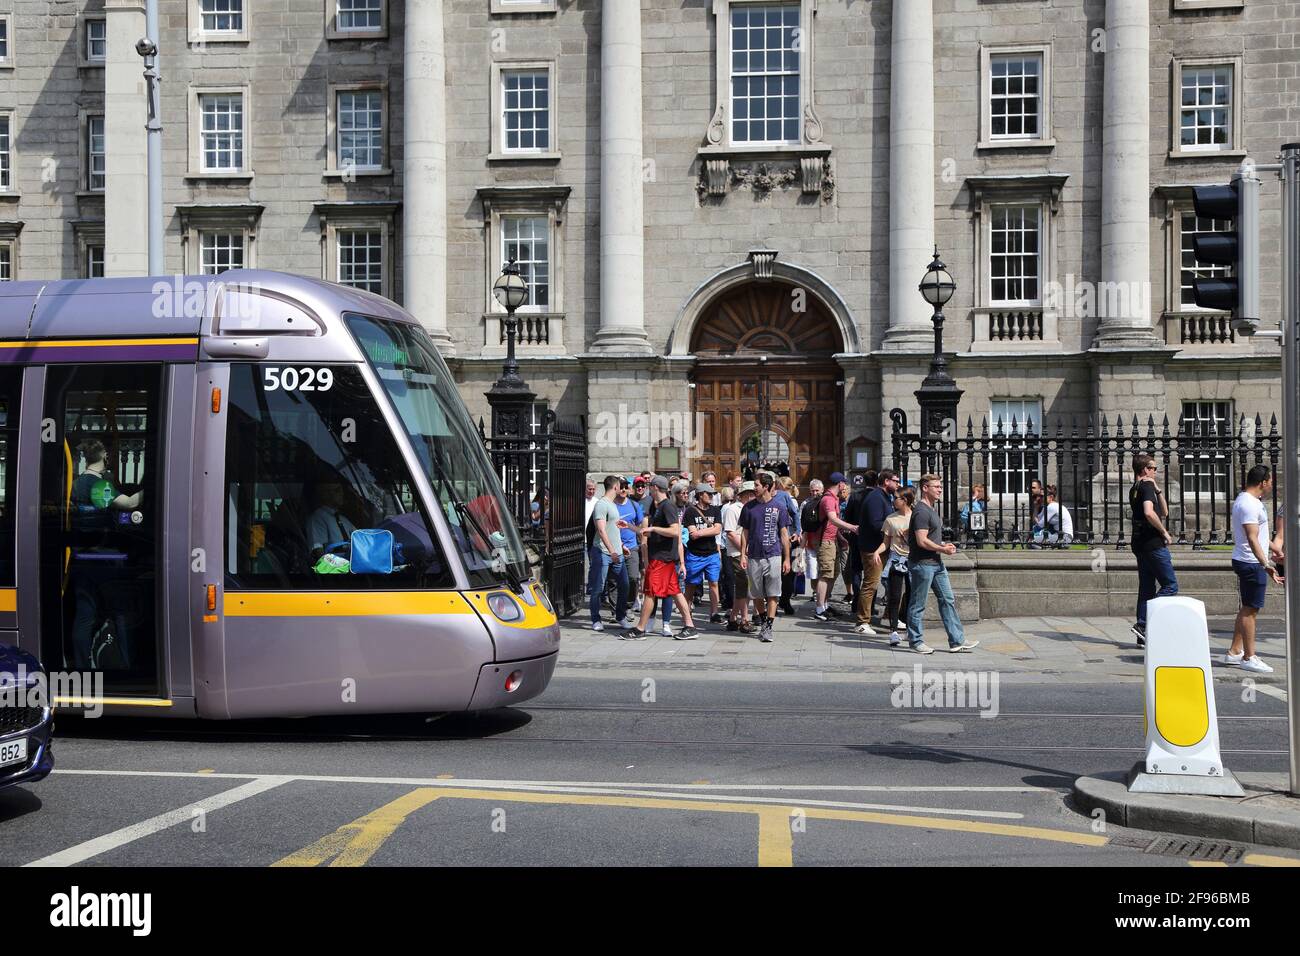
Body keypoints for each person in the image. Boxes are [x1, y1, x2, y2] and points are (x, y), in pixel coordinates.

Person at [68, 438, 144, 670]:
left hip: (81, 560)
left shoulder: (76, 483)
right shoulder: (98, 486)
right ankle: (124, 662)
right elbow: (130, 504)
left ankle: (82, 666)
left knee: (84, 617)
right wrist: (152, 484)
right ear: (104, 457)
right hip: (104, 562)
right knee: (121, 612)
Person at [905, 474, 978, 655]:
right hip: (922, 564)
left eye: (940, 486)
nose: (939, 489)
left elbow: (923, 537)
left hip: (935, 563)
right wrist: (942, 548)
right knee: (917, 604)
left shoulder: (931, 509)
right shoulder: (921, 511)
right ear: (925, 488)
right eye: (936, 486)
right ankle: (915, 641)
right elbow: (921, 541)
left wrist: (942, 546)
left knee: (947, 600)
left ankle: (957, 640)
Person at [623, 475, 698, 640]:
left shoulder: (668, 506)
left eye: (650, 486)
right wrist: (629, 527)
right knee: (676, 591)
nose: (649, 489)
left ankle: (640, 628)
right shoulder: (657, 507)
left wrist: (655, 529)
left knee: (649, 592)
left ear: (655, 488)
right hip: (662, 557)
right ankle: (690, 627)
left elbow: (674, 531)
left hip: (662, 558)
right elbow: (649, 533)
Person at [1225, 465, 1279, 673]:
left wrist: (1276, 549)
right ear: (1262, 482)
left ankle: (1234, 652)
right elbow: (1252, 537)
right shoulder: (1249, 504)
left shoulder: (1249, 501)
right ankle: (1249, 657)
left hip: (1249, 560)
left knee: (1247, 607)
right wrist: (1266, 564)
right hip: (1251, 562)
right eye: (1270, 480)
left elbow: (1261, 535)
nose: (1272, 484)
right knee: (1251, 610)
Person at [1129, 452, 1177, 647]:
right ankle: (1146, 623)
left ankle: (1142, 630)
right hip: (1153, 543)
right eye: (1153, 468)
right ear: (1145, 470)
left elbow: (1164, 512)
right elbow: (1150, 513)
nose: (1156, 471)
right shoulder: (1146, 485)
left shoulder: (1136, 488)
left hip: (1139, 543)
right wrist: (1164, 532)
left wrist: (1158, 490)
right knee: (1170, 586)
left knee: (1147, 587)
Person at [739, 472, 791, 643]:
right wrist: (742, 555)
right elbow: (744, 533)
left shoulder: (779, 507)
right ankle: (763, 621)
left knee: (773, 593)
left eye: (756, 485)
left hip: (774, 555)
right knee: (756, 594)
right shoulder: (749, 507)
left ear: (766, 487)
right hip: (754, 555)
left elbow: (784, 534)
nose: (754, 488)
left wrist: (787, 558)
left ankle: (768, 625)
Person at [806, 472, 858, 623]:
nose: (845, 486)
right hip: (825, 542)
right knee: (825, 574)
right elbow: (833, 520)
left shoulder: (833, 498)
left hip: (831, 540)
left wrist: (841, 538)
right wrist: (853, 527)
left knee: (833, 573)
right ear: (840, 484)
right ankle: (819, 609)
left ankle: (826, 605)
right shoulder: (828, 499)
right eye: (844, 484)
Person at [856, 469, 899, 635]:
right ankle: (862, 621)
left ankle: (889, 616)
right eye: (895, 480)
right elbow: (875, 523)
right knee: (870, 584)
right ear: (886, 481)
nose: (897, 484)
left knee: (890, 583)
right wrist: (893, 531)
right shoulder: (875, 498)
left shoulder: (884, 497)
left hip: (882, 547)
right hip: (872, 548)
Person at [871, 485, 916, 644]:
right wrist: (877, 551)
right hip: (896, 560)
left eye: (896, 497)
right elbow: (886, 543)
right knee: (894, 596)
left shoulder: (916, 517)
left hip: (913, 560)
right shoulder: (890, 519)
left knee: (912, 596)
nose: (893, 500)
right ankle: (894, 630)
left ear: (905, 500)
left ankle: (911, 629)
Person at [586, 475, 628, 631]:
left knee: (624, 584)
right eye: (620, 486)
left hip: (617, 552)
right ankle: (596, 619)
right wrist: (612, 551)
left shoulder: (612, 504)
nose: (622, 489)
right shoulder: (602, 505)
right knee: (598, 587)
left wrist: (621, 546)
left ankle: (620, 616)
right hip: (603, 552)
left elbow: (613, 529)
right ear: (615, 487)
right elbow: (602, 531)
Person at [682, 484, 724, 624]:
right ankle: (687, 613)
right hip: (695, 554)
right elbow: (692, 535)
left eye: (712, 494)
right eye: (709, 494)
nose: (712, 496)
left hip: (711, 553)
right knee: (691, 585)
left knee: (714, 583)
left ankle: (714, 613)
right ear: (700, 494)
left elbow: (717, 530)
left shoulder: (715, 510)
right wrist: (708, 530)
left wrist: (700, 532)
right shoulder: (690, 511)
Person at [723, 481, 757, 632]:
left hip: (749, 551)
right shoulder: (733, 509)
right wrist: (745, 550)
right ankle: (744, 619)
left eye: (753, 493)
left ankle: (732, 619)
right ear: (742, 495)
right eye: (749, 494)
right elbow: (730, 533)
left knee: (745, 588)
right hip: (737, 552)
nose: (752, 496)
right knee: (744, 585)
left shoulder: (752, 508)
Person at [615, 478, 645, 619]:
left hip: (632, 547)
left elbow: (640, 527)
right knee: (615, 580)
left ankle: (628, 605)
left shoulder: (634, 505)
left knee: (633, 578)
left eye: (625, 486)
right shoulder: (611, 505)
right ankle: (616, 609)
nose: (623, 489)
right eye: (621, 486)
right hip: (614, 547)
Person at [306, 480, 358, 555]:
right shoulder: (317, 518)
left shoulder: (343, 519)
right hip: (340, 566)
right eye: (337, 490)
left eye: (342, 490)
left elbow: (360, 538)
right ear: (324, 495)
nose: (342, 493)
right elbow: (319, 553)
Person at [776, 475, 802, 615]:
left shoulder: (785, 498)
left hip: (790, 539)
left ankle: (785, 600)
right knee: (782, 572)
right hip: (781, 539)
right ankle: (779, 600)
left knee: (790, 572)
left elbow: (795, 515)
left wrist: (797, 531)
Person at [802, 478, 824, 589]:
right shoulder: (805, 504)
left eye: (817, 490)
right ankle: (815, 592)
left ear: (822, 490)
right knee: (813, 571)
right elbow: (803, 527)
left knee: (824, 570)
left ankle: (823, 593)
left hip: (823, 541)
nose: (814, 493)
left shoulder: (824, 502)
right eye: (812, 490)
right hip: (810, 542)